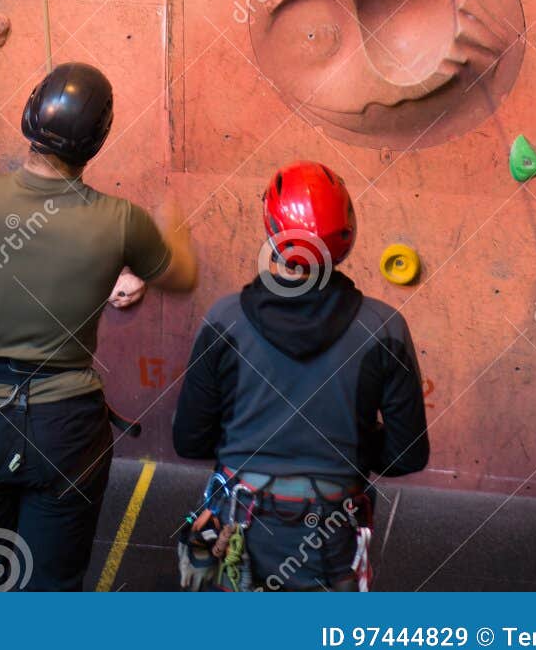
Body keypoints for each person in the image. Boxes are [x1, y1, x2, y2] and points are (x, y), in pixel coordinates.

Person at [0, 63, 197, 591]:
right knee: (53, 586)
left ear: (29, 115)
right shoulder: (122, 220)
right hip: (66, 426)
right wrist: (176, 224)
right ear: (97, 139)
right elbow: (181, 277)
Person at [172, 161, 428, 591]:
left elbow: (190, 439)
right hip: (331, 534)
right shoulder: (384, 329)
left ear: (272, 230)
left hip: (239, 531)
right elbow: (408, 454)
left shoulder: (224, 321)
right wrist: (350, 449)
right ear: (347, 233)